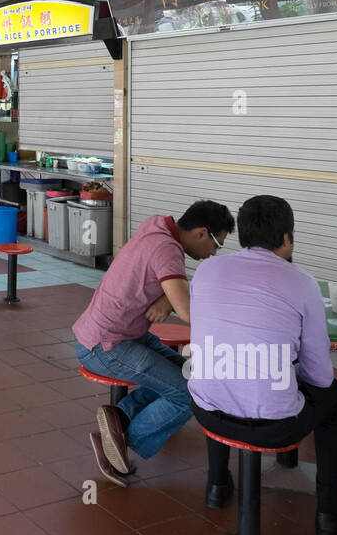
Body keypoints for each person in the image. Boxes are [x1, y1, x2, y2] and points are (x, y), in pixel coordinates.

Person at [189, 196, 337, 535]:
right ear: (287, 238)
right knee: (334, 398)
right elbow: (320, 375)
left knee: (224, 375)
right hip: (274, 427)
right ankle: (328, 515)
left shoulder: (207, 269)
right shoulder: (302, 283)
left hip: (205, 409)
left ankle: (217, 487)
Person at [74, 200, 234, 485]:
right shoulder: (168, 249)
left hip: (115, 334)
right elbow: (188, 311)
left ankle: (120, 418)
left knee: (190, 376)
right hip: (105, 345)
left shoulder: (157, 226)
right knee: (188, 395)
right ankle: (121, 443)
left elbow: (166, 283)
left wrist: (165, 298)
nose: (212, 254)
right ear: (200, 233)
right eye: (216, 244)